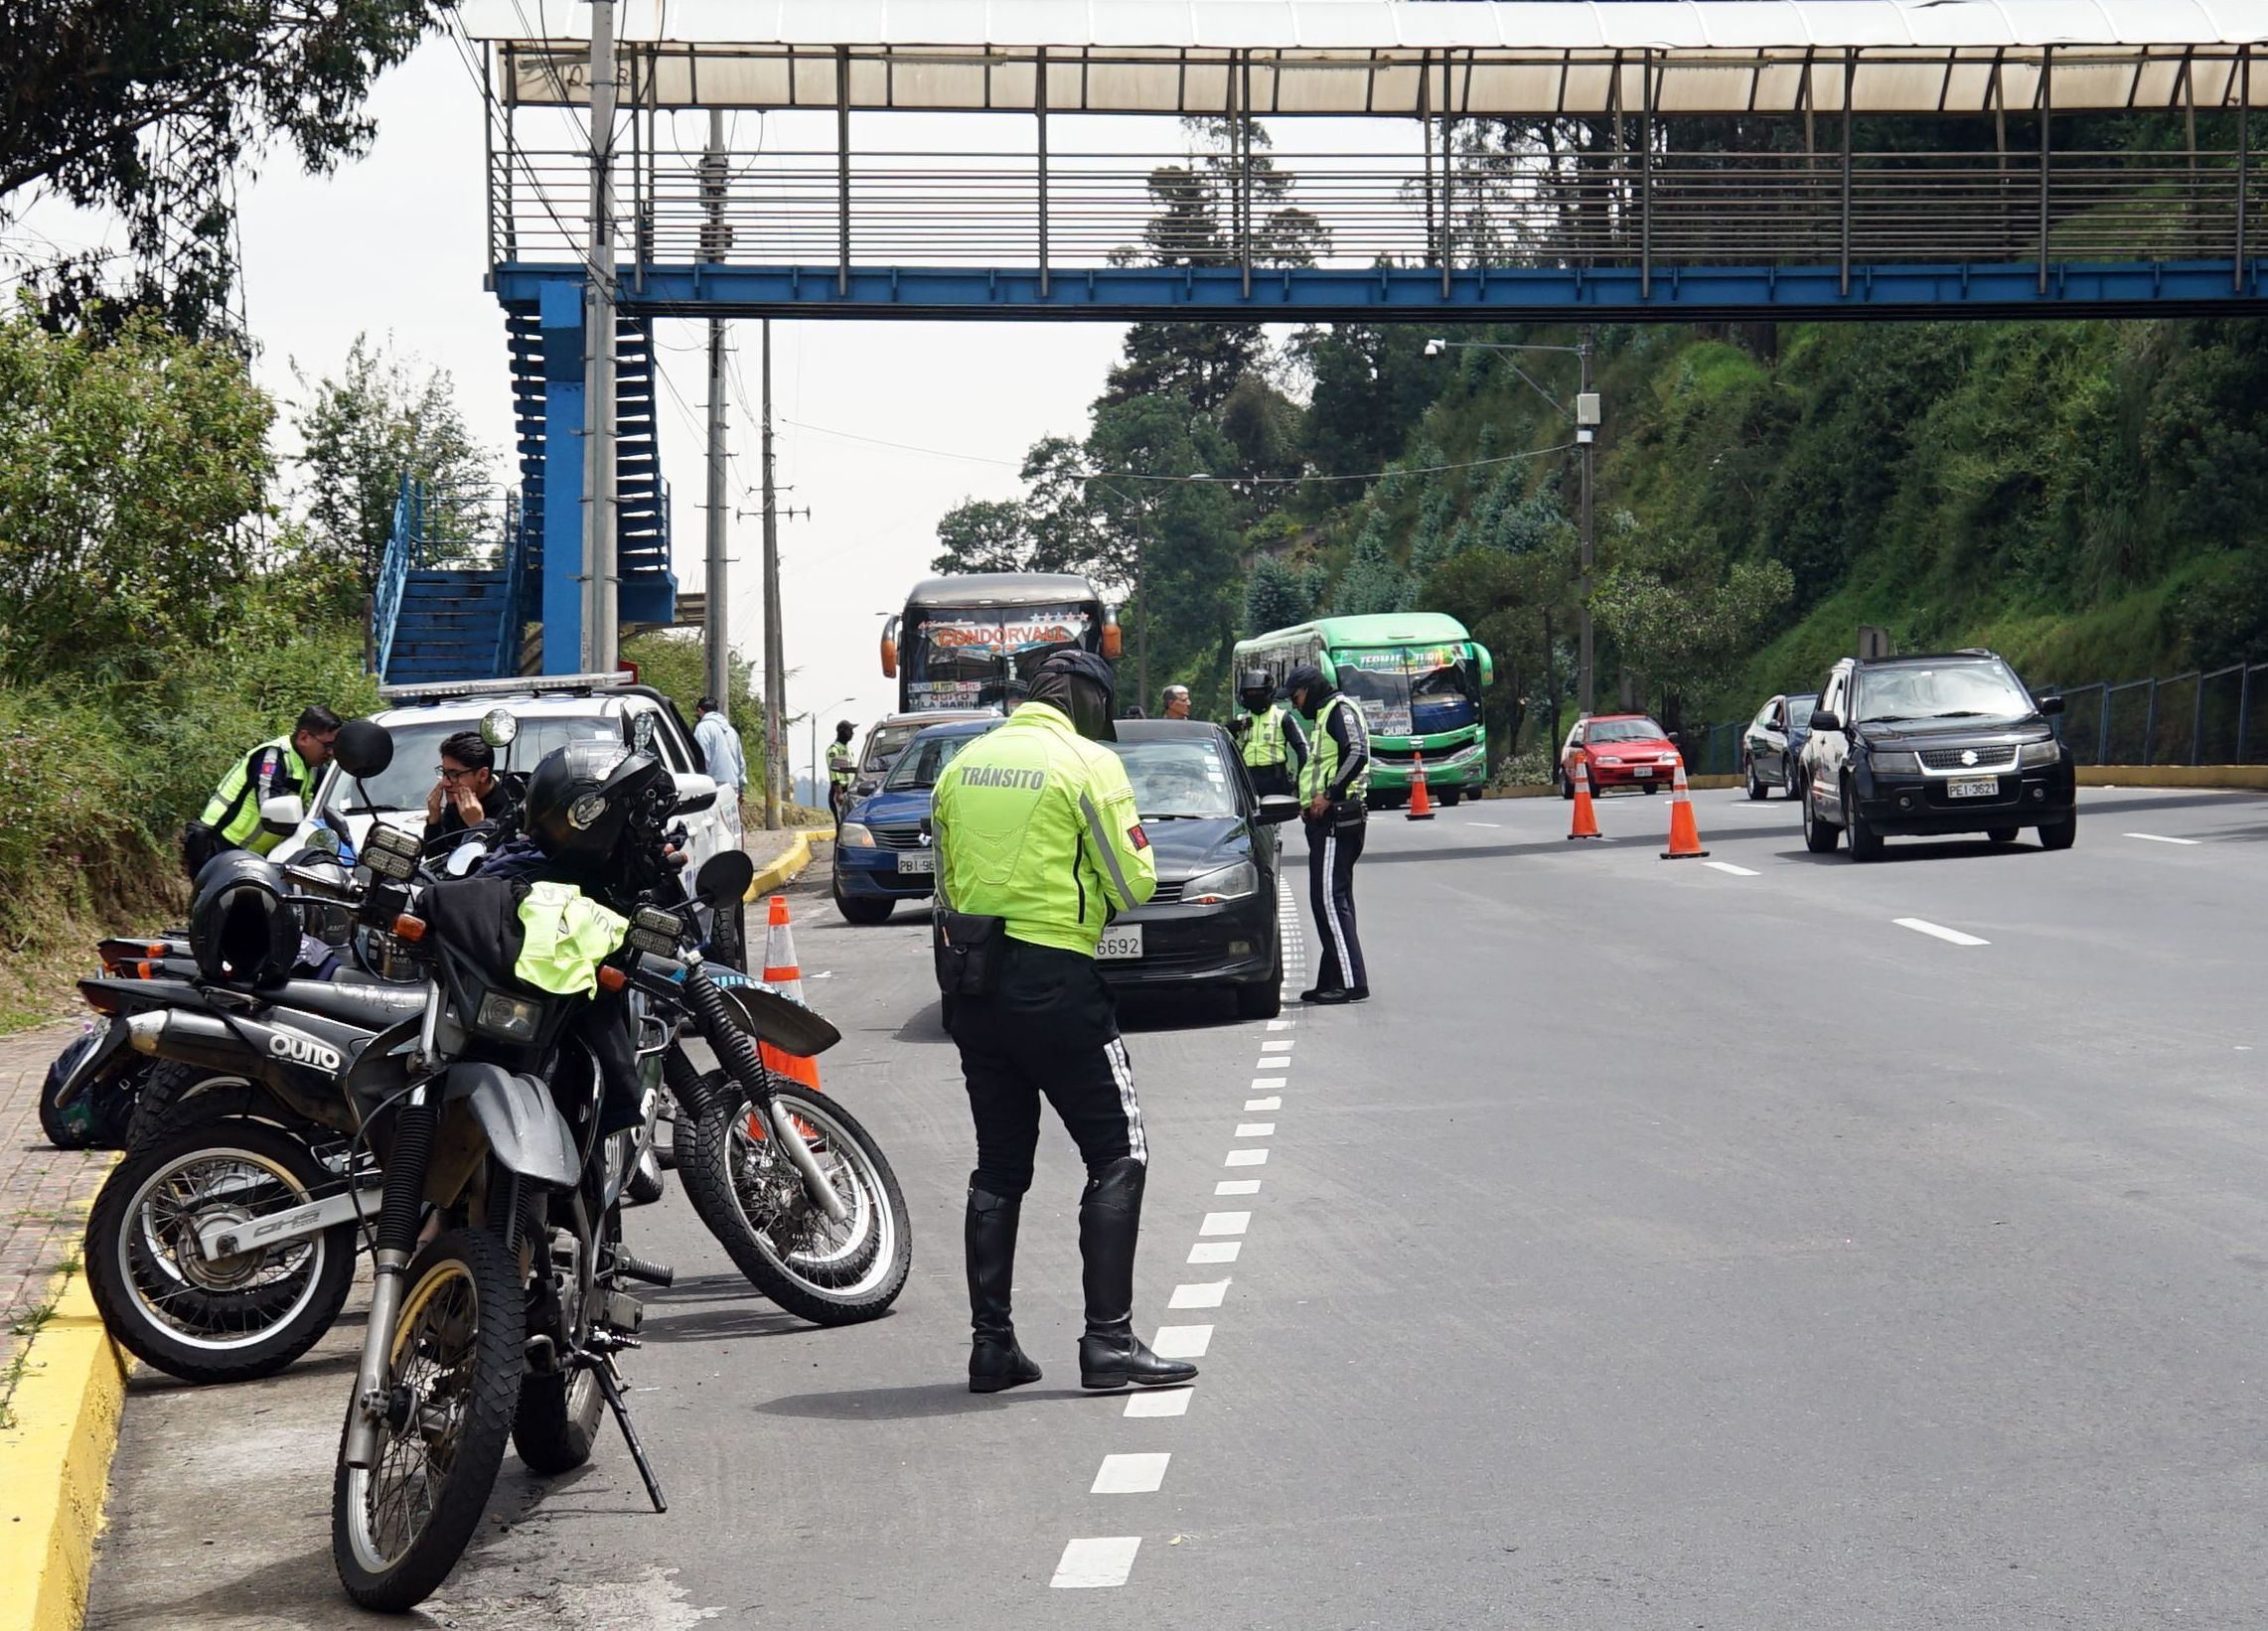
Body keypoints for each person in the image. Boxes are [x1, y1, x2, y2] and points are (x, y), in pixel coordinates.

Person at [932, 650, 1196, 1397]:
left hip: (973, 985)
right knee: (1118, 1153)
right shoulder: (1084, 765)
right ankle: (1108, 1343)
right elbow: (1132, 878)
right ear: (1084, 702)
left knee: (999, 1166)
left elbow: (948, 881)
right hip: (1055, 980)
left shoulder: (963, 764)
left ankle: (992, 1349)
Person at [1286, 664, 1370, 1004]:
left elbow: (1356, 753)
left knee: (1330, 902)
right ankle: (1332, 977)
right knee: (1329, 902)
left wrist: (1329, 794)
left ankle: (1350, 983)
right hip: (1325, 822)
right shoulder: (1326, 714)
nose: (1295, 704)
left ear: (1310, 689)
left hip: (1337, 819)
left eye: (1296, 697)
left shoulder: (1340, 710)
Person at [182, 705, 342, 877]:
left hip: (251, 855)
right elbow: (269, 806)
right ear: (304, 738)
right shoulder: (273, 756)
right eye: (327, 745)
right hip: (218, 845)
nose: (331, 752)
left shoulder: (313, 766)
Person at [422, 729, 523, 851]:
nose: (445, 783)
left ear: (482, 775)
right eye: (444, 773)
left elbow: (501, 865)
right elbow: (436, 862)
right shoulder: (457, 802)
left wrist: (478, 826)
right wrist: (434, 822)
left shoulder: (512, 807)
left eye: (454, 774)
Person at [1232, 668, 1308, 802]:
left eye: (1258, 693)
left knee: (1280, 819)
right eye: (1250, 693)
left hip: (1275, 780)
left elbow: (1303, 749)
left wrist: (1301, 782)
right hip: (1248, 779)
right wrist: (1229, 729)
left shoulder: (1281, 716)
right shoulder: (1240, 719)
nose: (1254, 696)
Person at [692, 696, 747, 841]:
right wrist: (741, 789)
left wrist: (699, 784)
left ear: (700, 710)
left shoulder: (703, 728)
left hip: (714, 787)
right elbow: (740, 761)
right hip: (732, 786)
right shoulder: (731, 731)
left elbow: (703, 760)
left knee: (715, 833)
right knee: (731, 831)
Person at [826, 720, 858, 821]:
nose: (852, 733)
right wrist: (839, 792)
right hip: (840, 791)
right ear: (842, 731)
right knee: (841, 824)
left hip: (850, 790)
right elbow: (835, 773)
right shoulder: (835, 749)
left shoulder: (848, 749)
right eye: (850, 730)